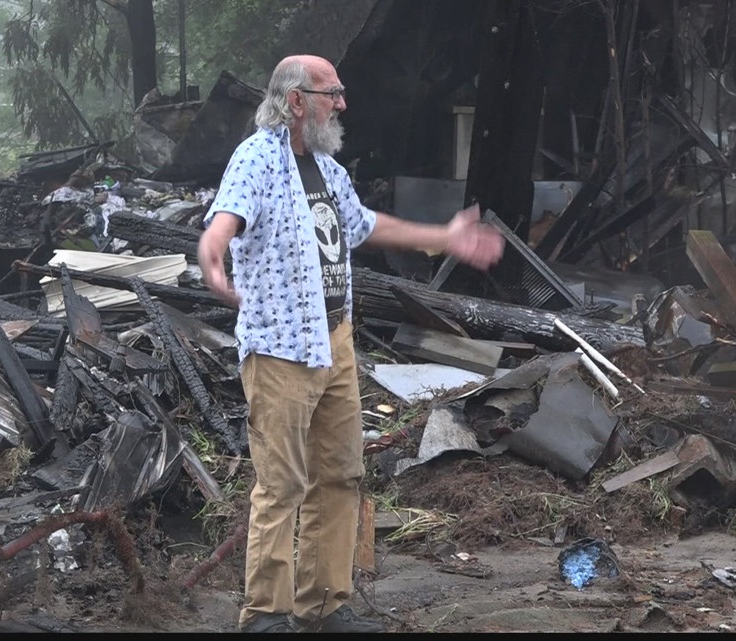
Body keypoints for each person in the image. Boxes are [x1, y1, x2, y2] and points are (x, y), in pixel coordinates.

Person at [197, 54, 505, 633]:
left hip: (333, 339)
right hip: (280, 347)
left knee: (339, 475)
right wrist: (212, 256)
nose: (342, 103)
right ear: (296, 101)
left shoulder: (326, 168)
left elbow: (366, 225)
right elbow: (224, 219)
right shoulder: (257, 158)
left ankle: (324, 604)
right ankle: (265, 614)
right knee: (282, 482)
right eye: (331, 93)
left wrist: (446, 237)